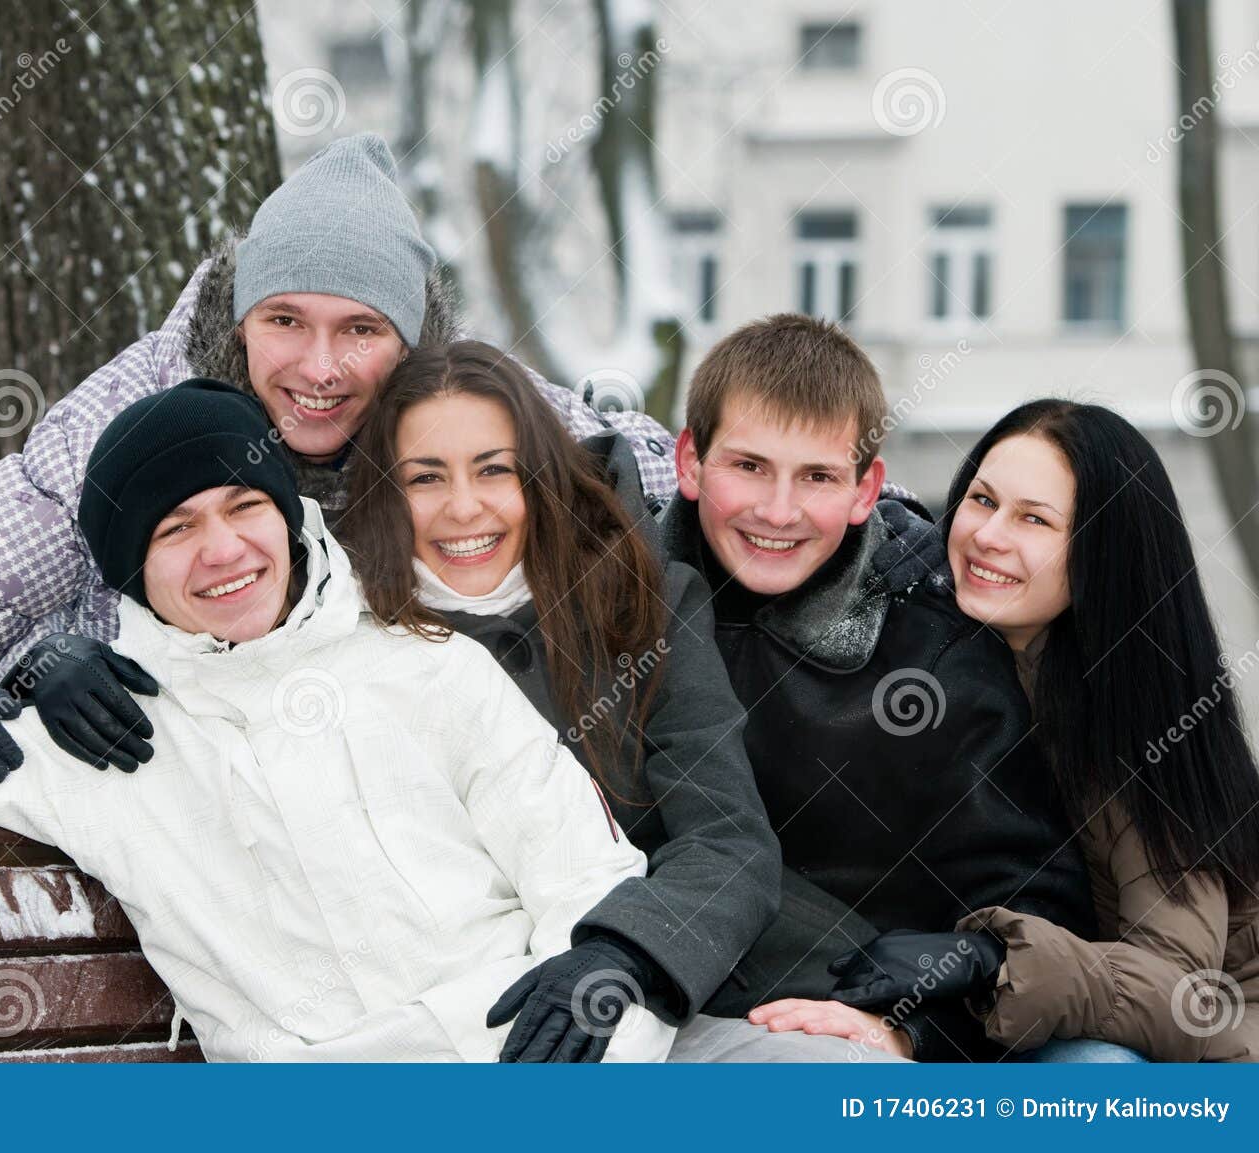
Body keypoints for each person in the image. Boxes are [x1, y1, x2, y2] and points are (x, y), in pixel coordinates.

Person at [0, 380, 677, 1064]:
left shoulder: (431, 668)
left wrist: (600, 1012)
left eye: (245, 507)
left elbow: (591, 884)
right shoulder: (103, 740)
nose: (224, 549)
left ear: (289, 515)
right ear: (128, 572)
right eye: (175, 530)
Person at [0, 133, 677, 787]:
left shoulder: (459, 398)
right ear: (242, 316)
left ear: (407, 343)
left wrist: (608, 494)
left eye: (360, 330)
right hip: (183, 807)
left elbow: (647, 462)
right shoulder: (135, 422)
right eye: (285, 321)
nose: (318, 369)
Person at [335, 340, 853, 1062]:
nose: (464, 507)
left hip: (646, 995)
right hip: (447, 1021)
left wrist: (625, 950)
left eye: (494, 470)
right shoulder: (340, 633)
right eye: (425, 477)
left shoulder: (640, 604)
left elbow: (727, 841)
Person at [657, 313, 1096, 1061]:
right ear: (690, 462)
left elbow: (1036, 907)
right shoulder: (613, 611)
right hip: (649, 992)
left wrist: (913, 1027)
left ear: (866, 489)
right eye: (750, 466)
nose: (778, 510)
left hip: (858, 1034)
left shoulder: (936, 648)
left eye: (818, 476)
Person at [828, 399, 1259, 1062]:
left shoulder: (1138, 725)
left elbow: (1178, 984)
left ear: (1102, 553)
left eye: (1034, 518)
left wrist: (992, 954)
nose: (988, 535)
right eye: (981, 499)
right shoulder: (973, 650)